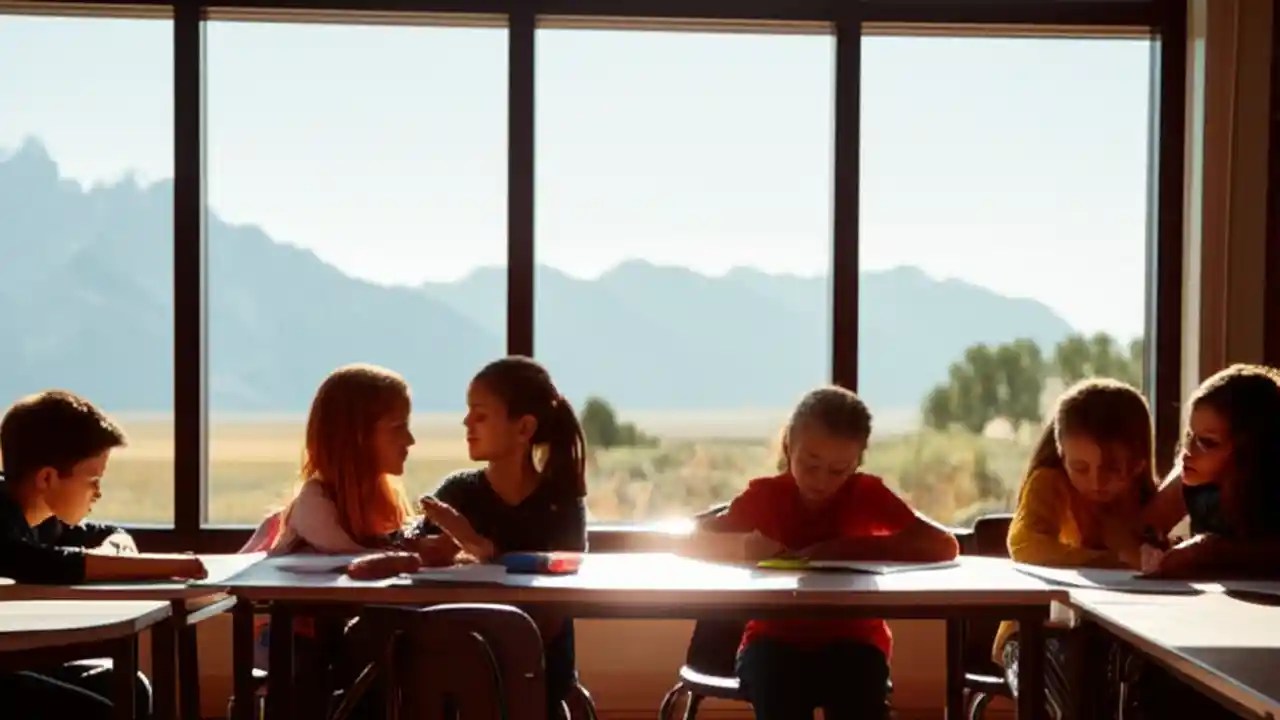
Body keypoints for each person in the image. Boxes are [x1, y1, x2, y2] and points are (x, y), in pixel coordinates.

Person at [694, 385, 958, 720]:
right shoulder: (766, 496)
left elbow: (944, 544)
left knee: (859, 693)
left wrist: (848, 548)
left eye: (838, 470)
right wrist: (742, 545)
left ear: (857, 462)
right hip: (773, 642)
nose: (821, 481)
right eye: (810, 463)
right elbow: (692, 539)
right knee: (779, 691)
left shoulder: (866, 494)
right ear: (789, 445)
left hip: (856, 641)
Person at [0, 390, 207, 719]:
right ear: (47, 478)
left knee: (129, 687)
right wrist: (178, 565)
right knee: (97, 711)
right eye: (93, 480)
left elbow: (108, 533)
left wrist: (116, 551)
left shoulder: (40, 520)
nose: (99, 492)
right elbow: (42, 565)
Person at [415, 356, 588, 719]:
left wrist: (477, 548)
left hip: (536, 667)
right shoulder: (458, 492)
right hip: (453, 661)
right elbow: (417, 556)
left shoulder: (560, 503)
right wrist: (431, 553)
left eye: (480, 414)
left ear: (524, 428)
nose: (466, 423)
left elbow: (558, 603)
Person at [996, 378, 1158, 719]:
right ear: (1061, 453)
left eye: (1112, 469)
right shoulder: (1050, 484)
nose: (1095, 482)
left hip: (1121, 637)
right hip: (1038, 637)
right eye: (1079, 468)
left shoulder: (1146, 500)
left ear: (1140, 463)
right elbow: (1026, 545)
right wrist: (1115, 562)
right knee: (1076, 696)